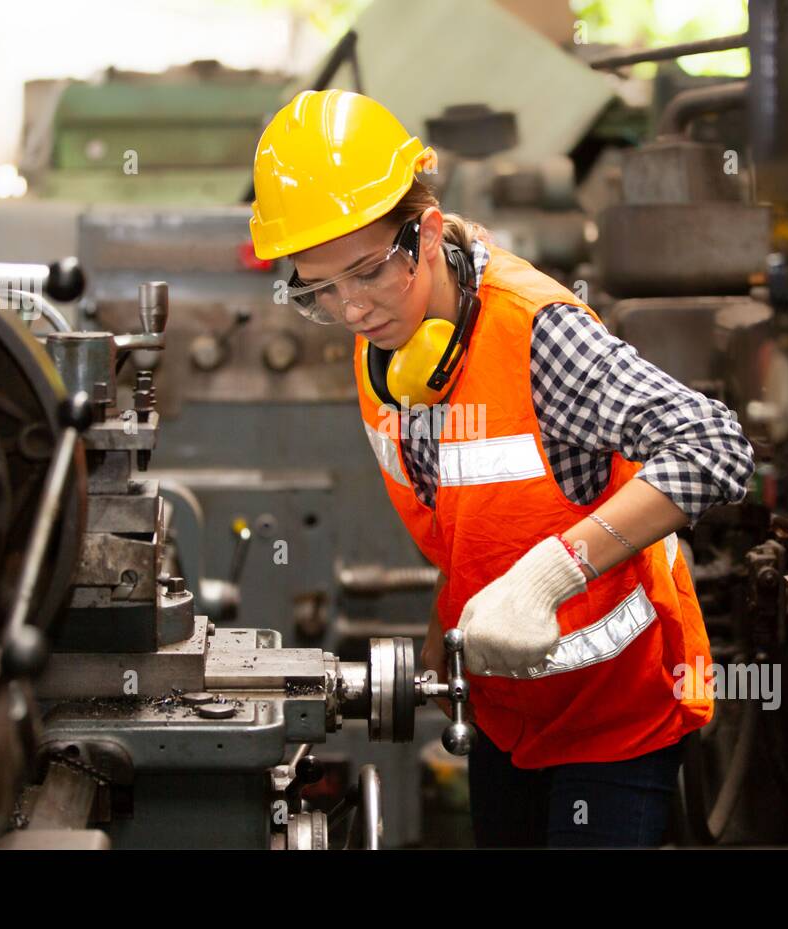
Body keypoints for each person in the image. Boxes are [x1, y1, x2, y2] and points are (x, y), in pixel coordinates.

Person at [249, 89, 755, 847]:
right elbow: (468, 512)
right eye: (320, 291)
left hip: (615, 716)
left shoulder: (536, 333)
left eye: (364, 274)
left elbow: (716, 447)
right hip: (505, 713)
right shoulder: (386, 352)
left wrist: (552, 575)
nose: (351, 310)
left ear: (423, 234)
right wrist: (440, 629)